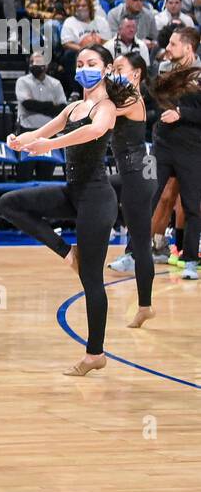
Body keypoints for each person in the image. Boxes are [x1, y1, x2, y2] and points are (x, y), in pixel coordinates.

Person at [2, 44, 136, 376]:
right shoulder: (75, 105)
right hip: (72, 193)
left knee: (92, 280)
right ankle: (67, 252)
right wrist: (21, 140)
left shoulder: (106, 106)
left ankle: (95, 353)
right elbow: (43, 130)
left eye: (92, 63)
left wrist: (49, 146)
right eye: (80, 63)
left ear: (105, 69)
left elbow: (94, 131)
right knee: (9, 204)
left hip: (96, 197)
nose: (84, 67)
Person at [104, 52, 156, 327]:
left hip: (138, 174)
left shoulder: (132, 99)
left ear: (136, 73)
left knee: (141, 246)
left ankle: (145, 306)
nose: (114, 72)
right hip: (133, 171)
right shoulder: (124, 96)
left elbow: (107, 112)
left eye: (119, 68)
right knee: (93, 190)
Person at [147, 26, 201, 280]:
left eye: (172, 44)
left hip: (192, 147)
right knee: (150, 195)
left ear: (188, 48)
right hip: (163, 144)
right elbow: (158, 106)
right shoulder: (164, 70)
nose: (166, 48)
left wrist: (181, 113)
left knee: (190, 204)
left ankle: (189, 257)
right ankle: (136, 251)